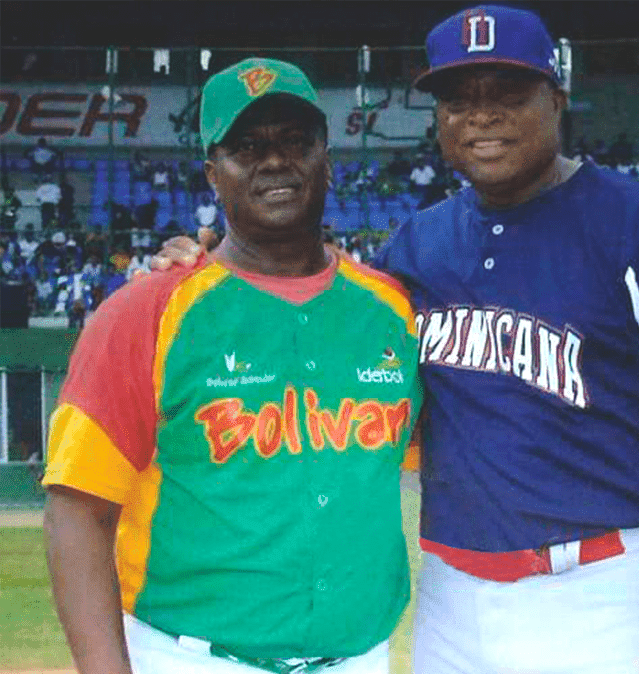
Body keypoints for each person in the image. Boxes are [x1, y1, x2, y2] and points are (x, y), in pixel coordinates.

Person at [155, 7, 639, 674]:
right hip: (449, 595)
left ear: (556, 101)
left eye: (507, 93)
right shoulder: (417, 245)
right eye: (458, 99)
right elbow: (310, 325)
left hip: (602, 590)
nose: (481, 116)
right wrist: (206, 268)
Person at [43, 57, 423, 674]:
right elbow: (76, 509)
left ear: (327, 159)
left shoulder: (391, 311)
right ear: (213, 174)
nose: (273, 161)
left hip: (360, 658)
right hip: (193, 659)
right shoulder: (143, 313)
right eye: (246, 147)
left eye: (294, 140)